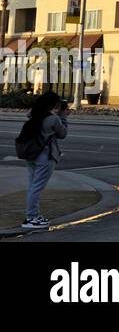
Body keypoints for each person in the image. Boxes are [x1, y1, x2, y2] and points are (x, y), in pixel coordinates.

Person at [20, 92, 69, 231]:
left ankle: (34, 215)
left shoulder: (33, 115)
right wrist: (63, 117)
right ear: (54, 104)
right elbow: (62, 134)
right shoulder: (53, 119)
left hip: (31, 155)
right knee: (37, 187)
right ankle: (31, 217)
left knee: (32, 186)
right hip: (45, 156)